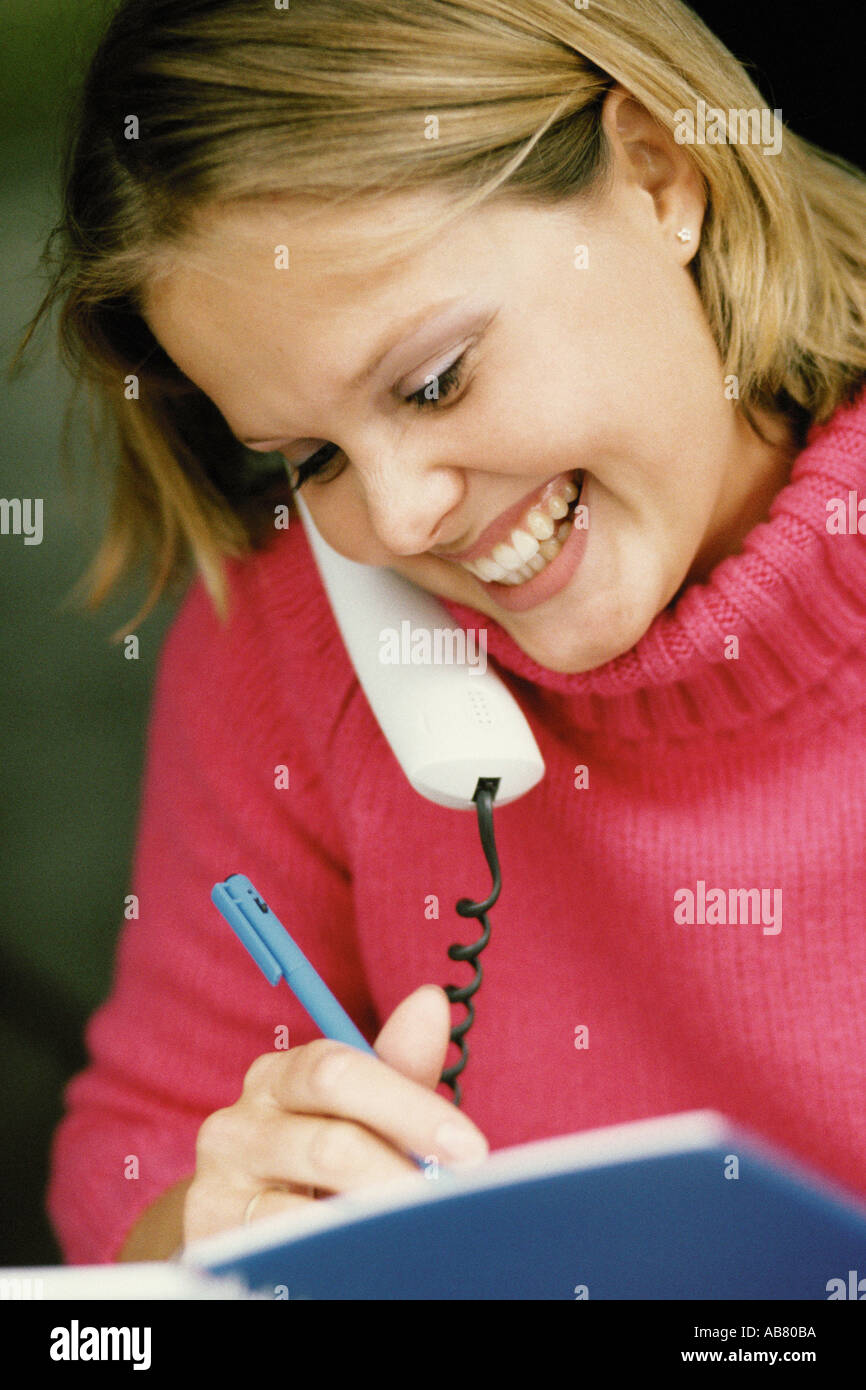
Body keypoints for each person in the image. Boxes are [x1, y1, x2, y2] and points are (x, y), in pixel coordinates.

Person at [22, 0, 866, 1266]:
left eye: (433, 380)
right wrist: (215, 1225)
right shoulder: (300, 635)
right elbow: (133, 1167)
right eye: (311, 457)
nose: (400, 519)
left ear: (656, 177)